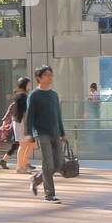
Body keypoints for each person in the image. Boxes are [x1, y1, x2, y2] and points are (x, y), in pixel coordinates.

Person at [24, 65, 69, 200]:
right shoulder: (34, 95)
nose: (50, 77)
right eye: (46, 75)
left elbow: (58, 115)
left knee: (59, 163)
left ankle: (36, 178)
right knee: (48, 163)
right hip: (41, 133)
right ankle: (50, 194)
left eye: (51, 74)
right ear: (39, 77)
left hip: (55, 132)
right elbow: (30, 115)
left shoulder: (54, 94)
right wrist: (30, 133)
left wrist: (63, 133)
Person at [0, 76, 34, 171]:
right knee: (24, 145)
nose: (30, 86)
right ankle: (20, 166)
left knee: (29, 144)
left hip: (20, 123)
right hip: (21, 123)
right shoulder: (22, 96)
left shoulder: (21, 95)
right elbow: (24, 112)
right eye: (28, 84)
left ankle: (22, 164)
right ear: (24, 85)